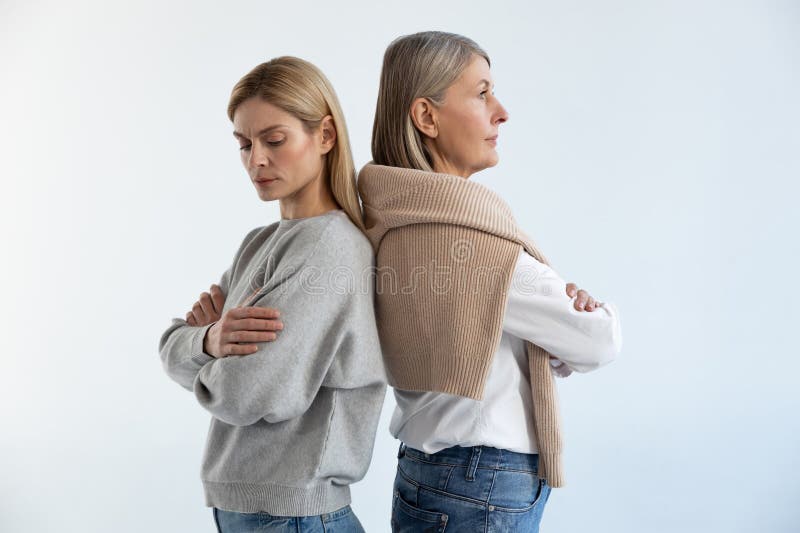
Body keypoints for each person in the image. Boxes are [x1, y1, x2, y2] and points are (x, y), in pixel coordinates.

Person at [358, 31, 623, 532]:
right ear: (426, 117)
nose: (501, 111)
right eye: (481, 93)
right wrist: (593, 317)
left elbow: (465, 335)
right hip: (481, 482)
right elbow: (598, 342)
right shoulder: (473, 245)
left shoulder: (388, 220)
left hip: (426, 471)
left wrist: (547, 336)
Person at [159, 56, 386, 533]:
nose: (255, 159)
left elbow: (249, 393)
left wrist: (202, 351)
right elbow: (171, 347)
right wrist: (208, 341)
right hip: (252, 511)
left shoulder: (329, 248)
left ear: (325, 135)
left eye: (274, 140)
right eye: (243, 144)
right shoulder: (258, 244)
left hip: (296, 516)